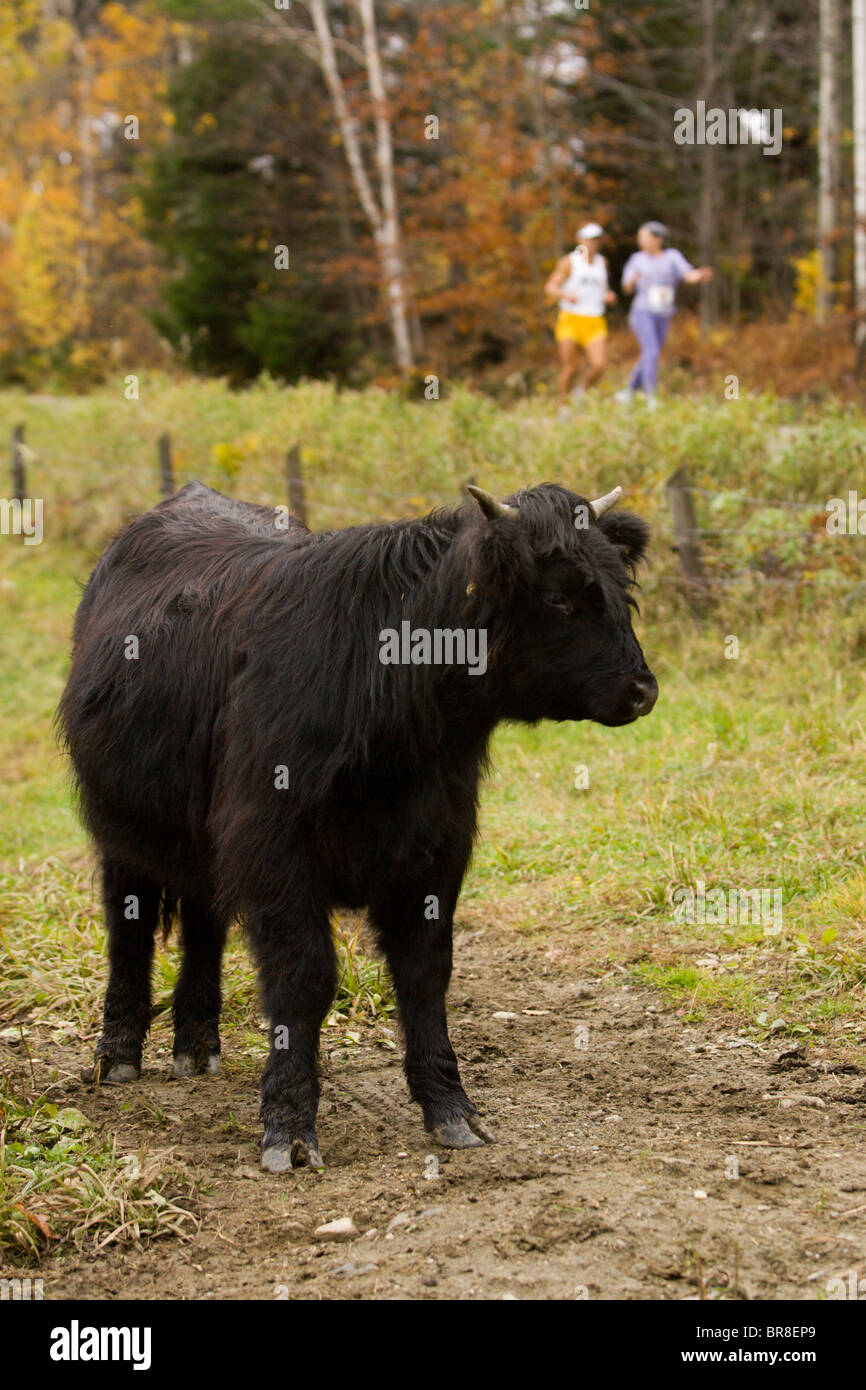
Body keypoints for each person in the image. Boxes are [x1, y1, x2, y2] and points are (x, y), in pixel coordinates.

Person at [617, 221, 713, 407]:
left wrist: (699, 275)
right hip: (642, 312)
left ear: (658, 239)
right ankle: (650, 396)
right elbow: (626, 287)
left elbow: (687, 274)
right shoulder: (637, 259)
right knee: (651, 351)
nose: (641, 241)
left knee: (650, 353)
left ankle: (628, 392)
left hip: (662, 314)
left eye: (644, 237)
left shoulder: (672, 257)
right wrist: (633, 280)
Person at [545, 222, 617, 410]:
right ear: (580, 240)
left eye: (596, 240)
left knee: (599, 365)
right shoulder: (569, 262)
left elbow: (602, 287)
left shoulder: (602, 262)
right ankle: (564, 406)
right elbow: (551, 287)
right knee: (570, 369)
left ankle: (581, 395)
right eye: (589, 239)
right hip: (571, 318)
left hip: (595, 319)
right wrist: (565, 295)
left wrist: (608, 295)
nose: (593, 243)